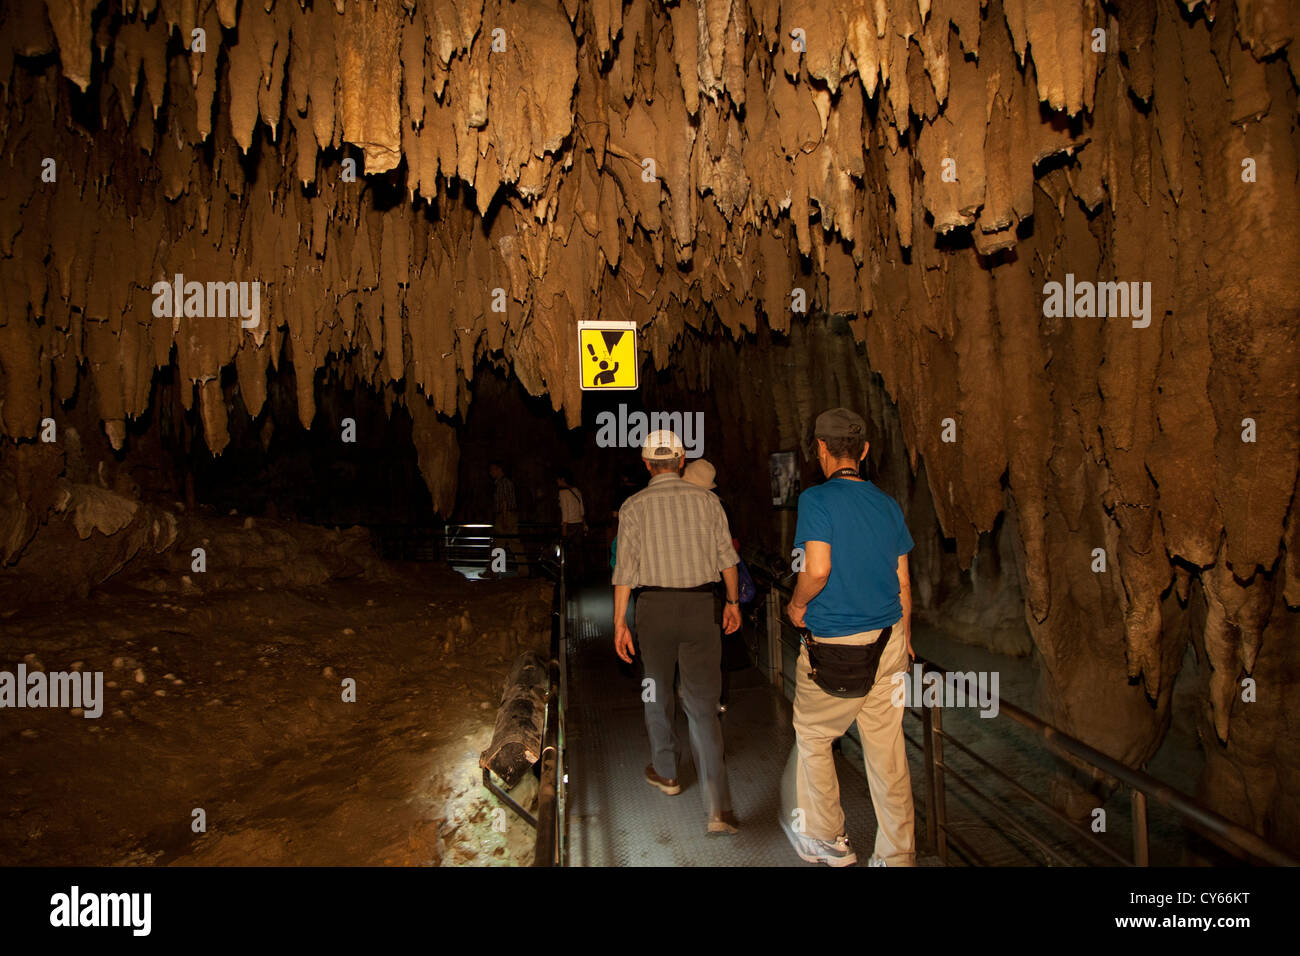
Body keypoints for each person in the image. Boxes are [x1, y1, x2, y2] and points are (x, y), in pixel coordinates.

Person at [781, 407, 916, 867]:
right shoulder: (888, 504)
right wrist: (906, 638)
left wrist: (798, 605)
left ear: (820, 449)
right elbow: (902, 581)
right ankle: (897, 855)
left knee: (815, 736)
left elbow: (817, 568)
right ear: (864, 451)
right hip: (889, 641)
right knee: (887, 752)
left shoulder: (817, 501)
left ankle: (828, 839)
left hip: (837, 646)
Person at [612, 430, 743, 836]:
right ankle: (718, 807)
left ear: (647, 464)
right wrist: (733, 603)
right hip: (702, 608)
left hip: (653, 612)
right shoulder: (708, 502)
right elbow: (727, 560)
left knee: (655, 689)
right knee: (703, 704)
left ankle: (667, 772)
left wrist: (620, 622)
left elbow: (625, 573)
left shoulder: (632, 507)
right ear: (681, 461)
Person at [489, 461, 527, 577]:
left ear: (499, 470)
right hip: (505, 515)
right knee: (499, 543)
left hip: (506, 515)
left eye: (492, 470)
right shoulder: (501, 483)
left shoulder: (503, 483)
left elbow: (504, 502)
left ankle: (523, 569)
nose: (490, 472)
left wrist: (504, 518)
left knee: (512, 543)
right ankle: (495, 570)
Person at [556, 470, 586, 584]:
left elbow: (565, 512)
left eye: (558, 479)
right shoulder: (576, 491)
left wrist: (564, 529)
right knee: (578, 553)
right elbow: (581, 509)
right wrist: (584, 524)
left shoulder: (563, 493)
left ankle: (568, 576)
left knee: (567, 552)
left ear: (563, 479)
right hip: (578, 524)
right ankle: (580, 576)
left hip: (569, 526)